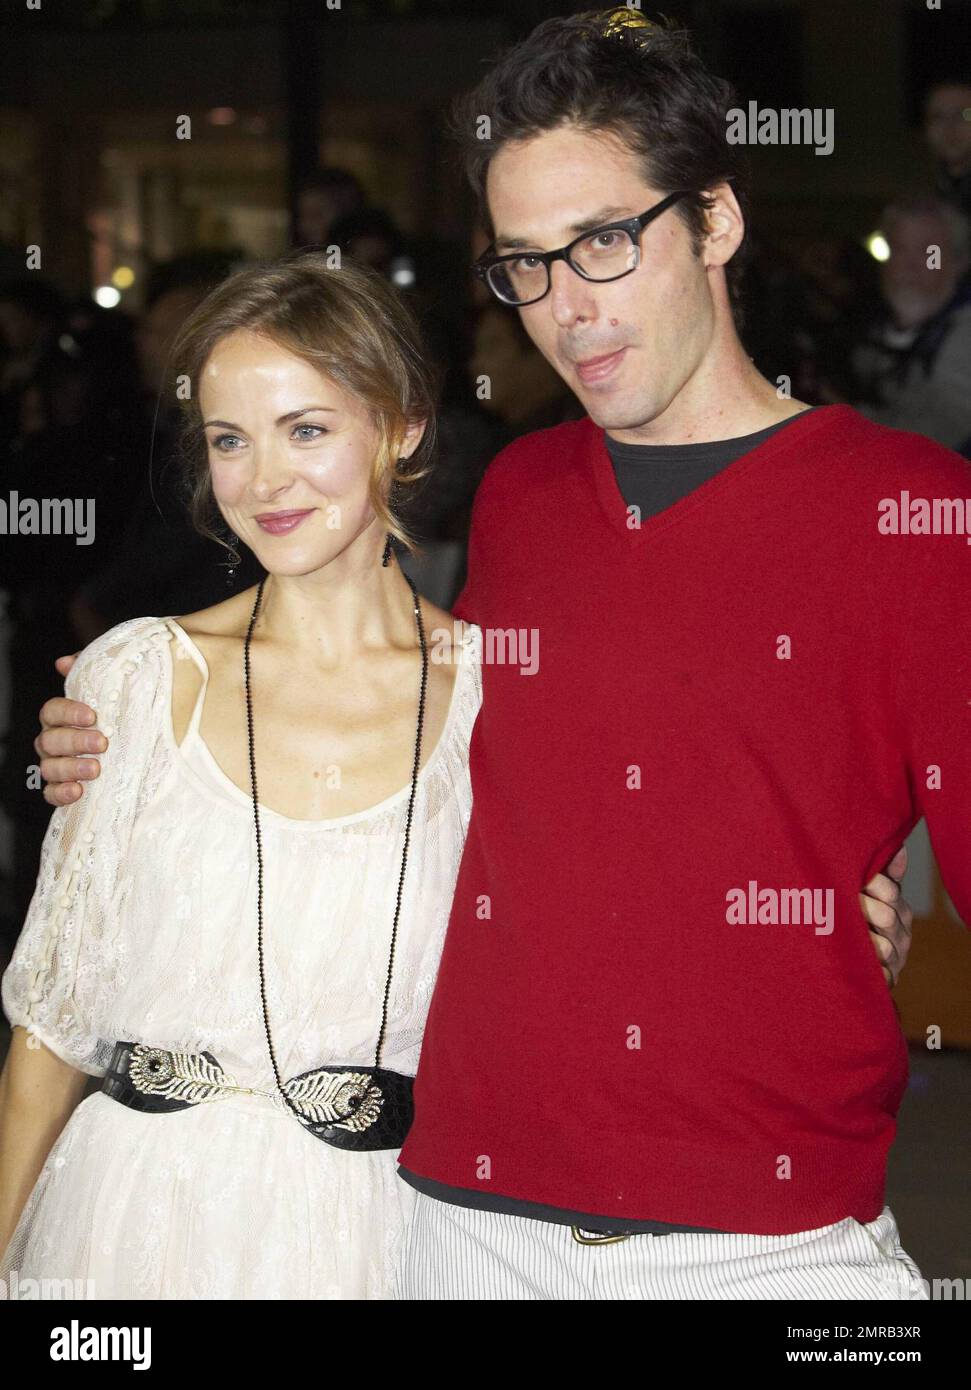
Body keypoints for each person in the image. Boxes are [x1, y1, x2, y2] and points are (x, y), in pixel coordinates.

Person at [31, 11, 925, 1303]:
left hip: (769, 1246)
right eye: (523, 264)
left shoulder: (908, 509)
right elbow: (468, 754)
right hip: (458, 1226)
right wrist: (126, 734)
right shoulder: (521, 490)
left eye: (604, 243)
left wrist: (830, 902)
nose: (564, 305)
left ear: (714, 222)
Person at [0, 253, 481, 1299]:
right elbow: (53, 1020)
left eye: (306, 429)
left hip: (378, 1230)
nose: (263, 480)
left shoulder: (494, 697)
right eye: (229, 439)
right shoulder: (134, 678)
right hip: (128, 1222)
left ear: (400, 427)